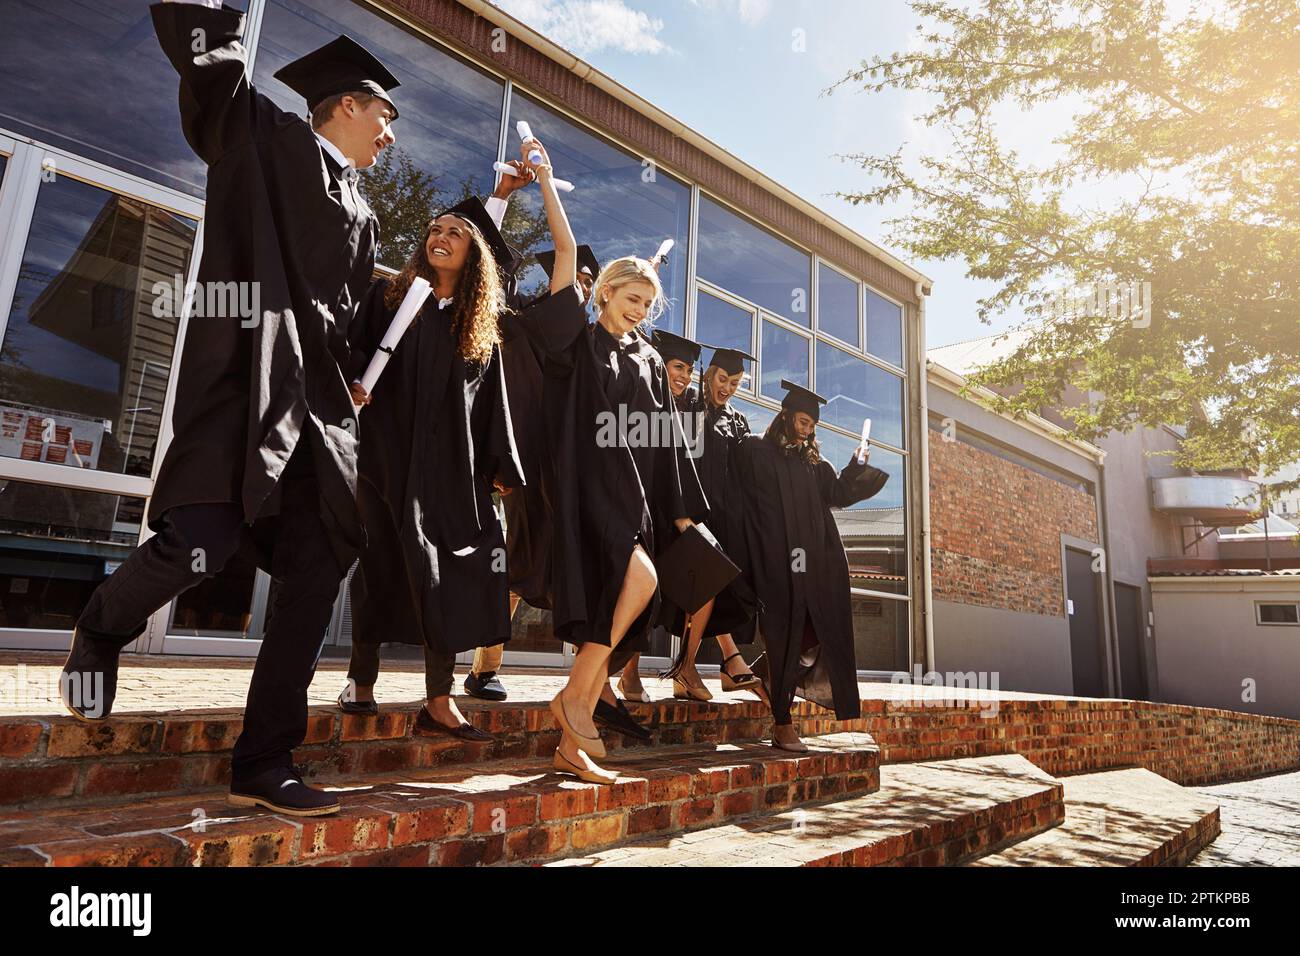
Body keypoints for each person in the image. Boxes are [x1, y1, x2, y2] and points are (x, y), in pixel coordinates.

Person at [59, 0, 400, 816]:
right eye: (385, 116)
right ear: (345, 105)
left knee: (318, 569)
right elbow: (213, 66)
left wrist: (354, 378)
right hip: (245, 385)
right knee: (201, 543)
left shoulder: (367, 215)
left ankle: (265, 757)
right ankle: (102, 626)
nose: (390, 134)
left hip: (317, 415)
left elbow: (346, 320)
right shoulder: (266, 140)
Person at [517, 235, 707, 782]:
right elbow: (563, 261)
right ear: (604, 292)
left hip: (631, 494)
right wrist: (550, 191)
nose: (640, 311)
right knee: (640, 580)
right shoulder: (578, 343)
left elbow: (668, 439)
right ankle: (578, 697)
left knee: (623, 601)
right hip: (585, 487)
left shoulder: (648, 358)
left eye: (648, 304)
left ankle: (571, 730)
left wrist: (682, 514)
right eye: (632, 299)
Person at [337, 193, 523, 742]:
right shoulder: (388, 298)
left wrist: (498, 465)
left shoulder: (478, 328)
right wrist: (350, 386)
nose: (438, 236)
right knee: (378, 563)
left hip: (448, 469)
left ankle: (438, 698)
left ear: (476, 256)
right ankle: (361, 682)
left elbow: (491, 402)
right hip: (384, 455)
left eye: (455, 233)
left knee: (443, 573)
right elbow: (352, 352)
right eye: (434, 229)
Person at [462, 239, 601, 702]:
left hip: (563, 469)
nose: (580, 288)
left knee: (563, 564)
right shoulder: (520, 320)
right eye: (576, 279)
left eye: (587, 282)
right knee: (517, 562)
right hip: (517, 462)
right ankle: (485, 666)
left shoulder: (589, 342)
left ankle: (589, 681)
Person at [732, 380, 889, 752]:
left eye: (811, 425)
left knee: (815, 635)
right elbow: (738, 503)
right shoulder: (755, 451)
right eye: (803, 422)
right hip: (774, 564)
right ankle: (783, 723)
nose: (807, 430)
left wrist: (857, 465)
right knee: (784, 636)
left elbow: (840, 495)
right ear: (785, 416)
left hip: (814, 564)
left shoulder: (816, 466)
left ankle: (762, 676)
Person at [645, 336, 763, 702]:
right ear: (709, 375)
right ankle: (702, 665)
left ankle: (711, 663)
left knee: (713, 590)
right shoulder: (689, 407)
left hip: (724, 519)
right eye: (722, 379)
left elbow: (747, 472)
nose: (726, 388)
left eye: (735, 383)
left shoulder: (737, 420)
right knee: (683, 591)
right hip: (686, 513)